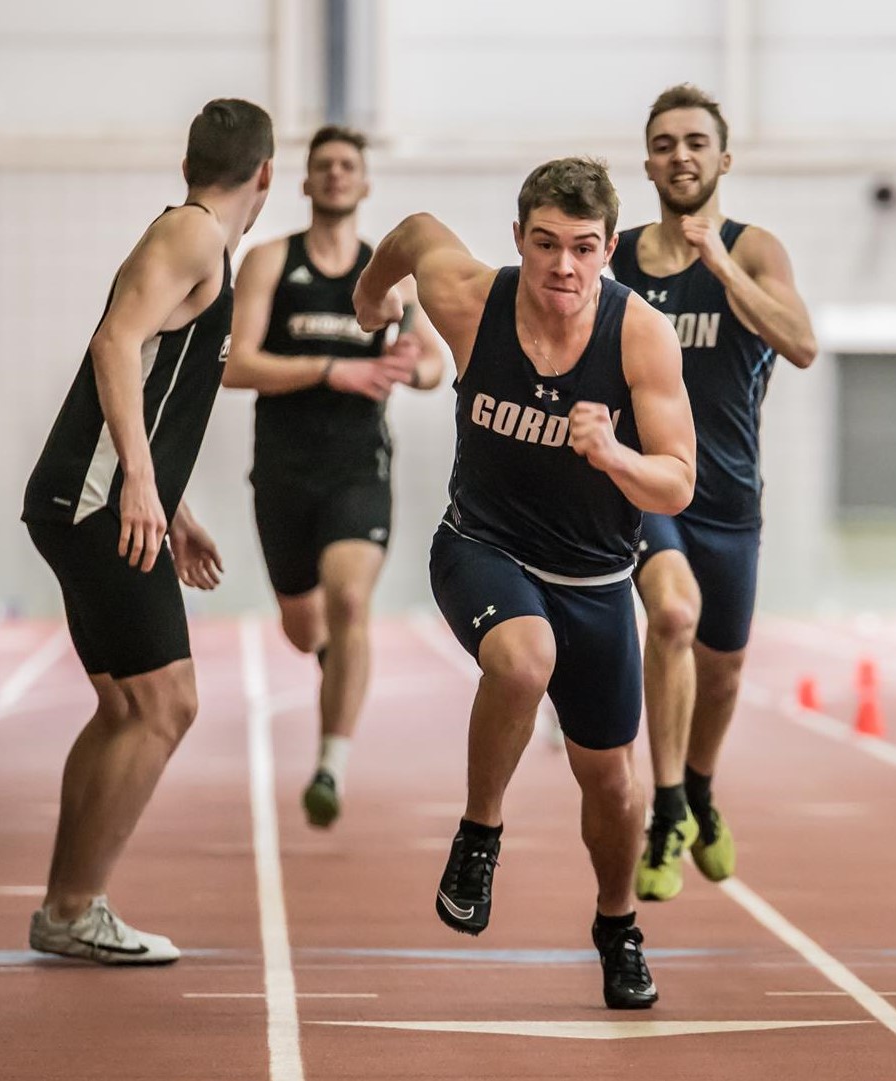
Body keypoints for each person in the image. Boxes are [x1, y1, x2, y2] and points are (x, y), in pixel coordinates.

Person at [353, 158, 697, 1010]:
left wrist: (614, 453)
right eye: (545, 244)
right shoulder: (472, 298)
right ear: (518, 240)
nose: (563, 268)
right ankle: (479, 831)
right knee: (521, 656)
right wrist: (369, 297)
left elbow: (678, 482)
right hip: (481, 545)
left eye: (584, 248)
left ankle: (617, 927)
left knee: (612, 784)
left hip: (598, 578)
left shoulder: (639, 334)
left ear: (609, 248)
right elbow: (413, 232)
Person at [19, 98, 273, 965]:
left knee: (128, 703)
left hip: (92, 497)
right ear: (267, 175)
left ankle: (65, 906)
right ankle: (73, 905)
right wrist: (135, 479)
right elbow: (115, 343)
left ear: (188, 160)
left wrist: (173, 502)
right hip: (95, 498)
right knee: (169, 703)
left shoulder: (198, 242)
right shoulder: (194, 236)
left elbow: (158, 387)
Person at [610, 84, 816, 901]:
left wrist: (719, 263)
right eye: (664, 143)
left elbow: (800, 343)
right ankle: (665, 808)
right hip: (646, 488)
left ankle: (697, 786)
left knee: (722, 670)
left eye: (695, 142)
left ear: (722, 158)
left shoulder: (754, 249)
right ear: (648, 160)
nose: (680, 156)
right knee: (671, 615)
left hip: (730, 494)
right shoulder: (616, 259)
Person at [225, 125, 444, 829]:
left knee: (350, 601)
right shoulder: (268, 262)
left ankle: (330, 764)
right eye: (323, 165)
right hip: (285, 471)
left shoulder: (389, 277)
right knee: (301, 625)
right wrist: (331, 369)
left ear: (364, 182)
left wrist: (412, 363)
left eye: (348, 165)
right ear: (305, 180)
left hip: (359, 467)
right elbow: (232, 364)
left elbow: (435, 365)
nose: (336, 175)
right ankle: (331, 662)